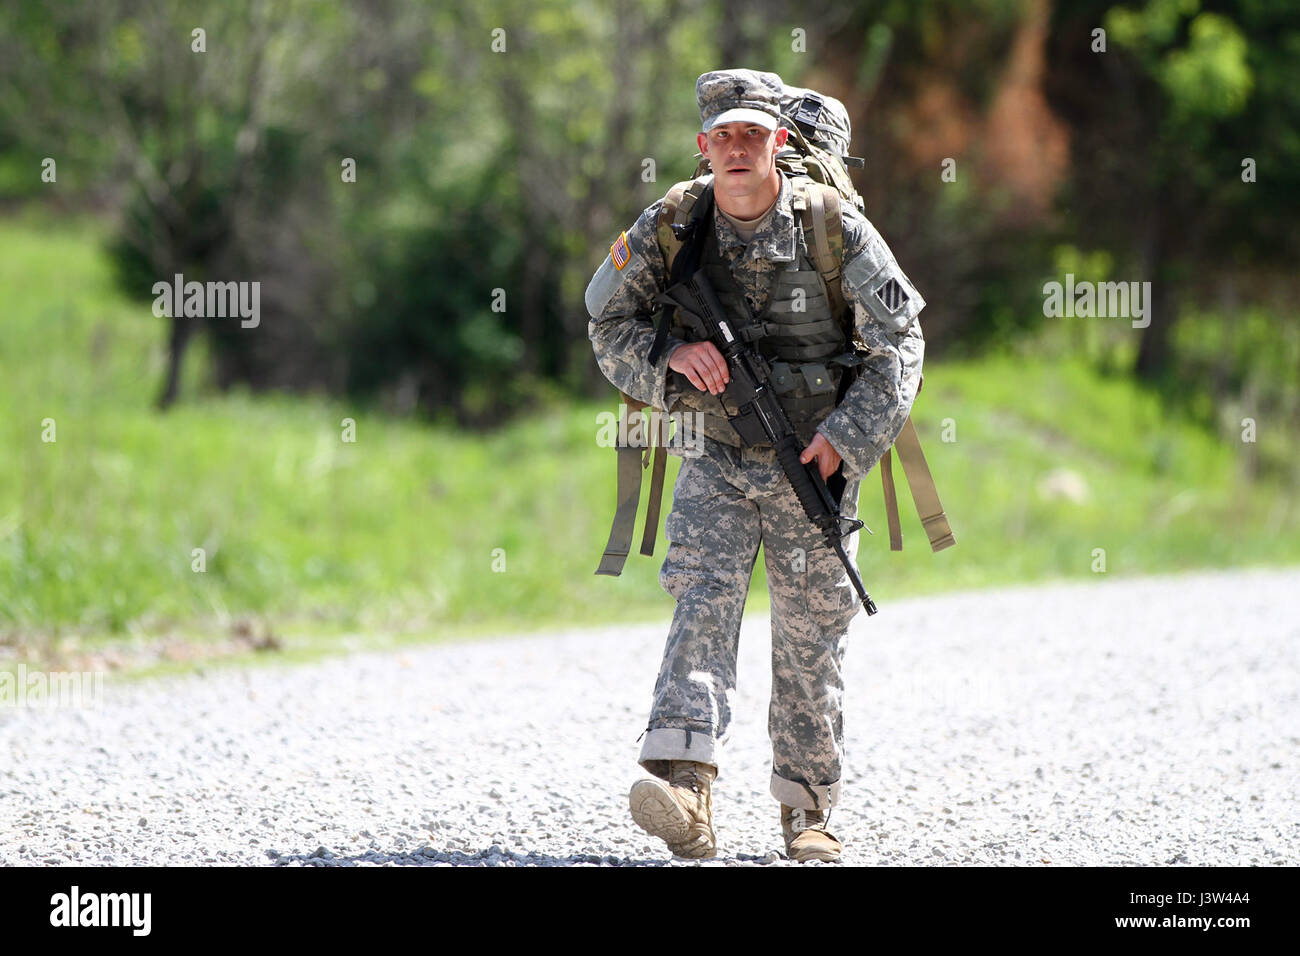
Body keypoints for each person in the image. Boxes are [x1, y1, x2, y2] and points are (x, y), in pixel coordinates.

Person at [585, 68, 925, 862]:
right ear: (705, 147)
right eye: (724, 137)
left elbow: (900, 344)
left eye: (753, 135)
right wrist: (671, 358)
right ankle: (685, 787)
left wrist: (850, 434)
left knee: (810, 633)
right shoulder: (675, 221)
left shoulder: (832, 225)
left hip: (814, 456)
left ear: (777, 143)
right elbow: (607, 323)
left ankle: (808, 813)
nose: (738, 150)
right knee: (701, 600)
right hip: (713, 451)